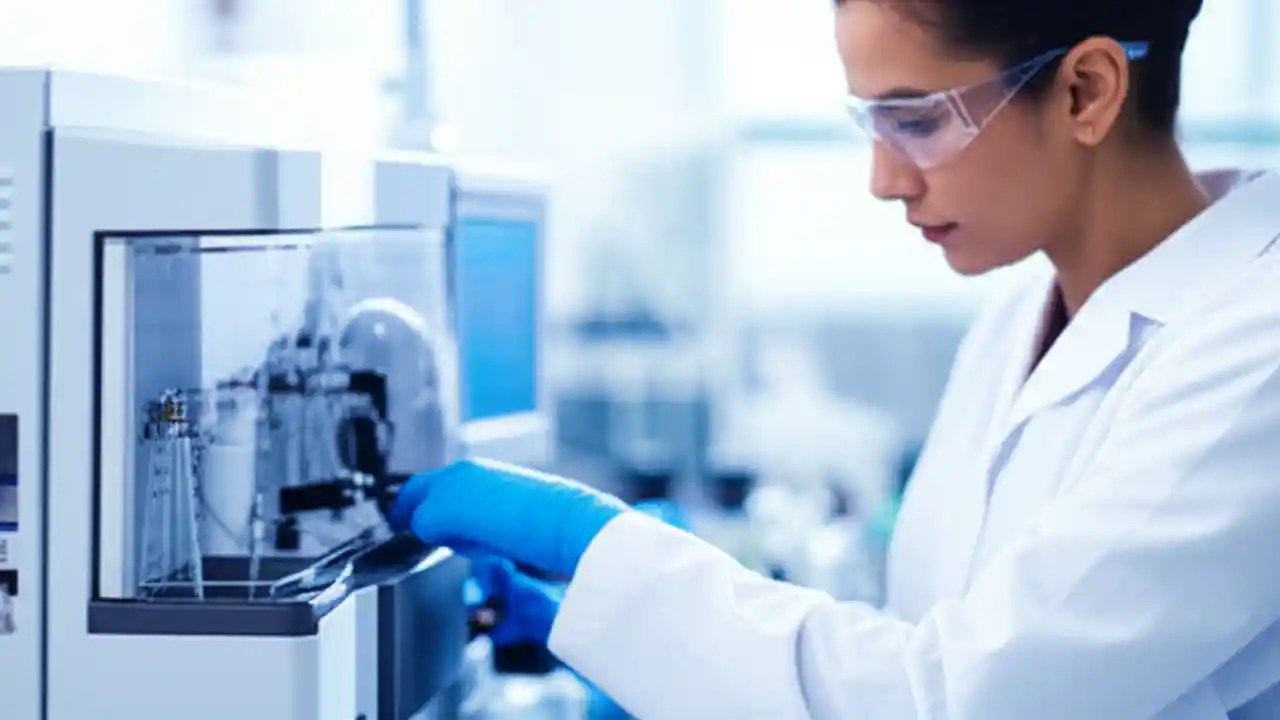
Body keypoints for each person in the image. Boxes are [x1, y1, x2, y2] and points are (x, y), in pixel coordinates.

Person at [393, 0, 1280, 716]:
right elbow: (916, 644)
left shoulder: (1258, 345)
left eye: (919, 120)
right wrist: (637, 647)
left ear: (1087, 90)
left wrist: (600, 553)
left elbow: (956, 700)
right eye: (871, 123)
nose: (884, 179)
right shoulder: (1019, 319)